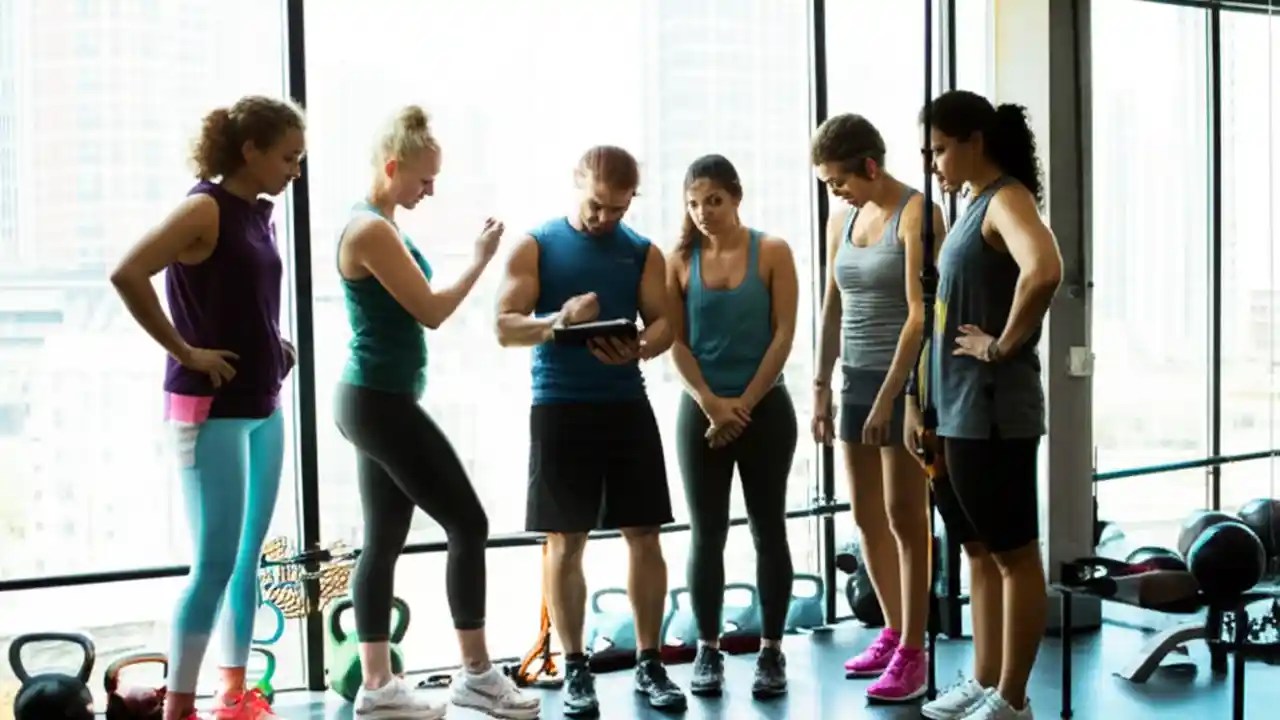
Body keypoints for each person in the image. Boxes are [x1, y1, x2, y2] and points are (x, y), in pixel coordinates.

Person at [332, 105, 541, 720]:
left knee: (384, 541)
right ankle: (475, 675)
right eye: (424, 180)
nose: (431, 190)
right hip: (376, 400)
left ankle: (378, 689)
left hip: (375, 399)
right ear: (392, 167)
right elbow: (430, 309)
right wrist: (481, 258)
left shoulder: (382, 223)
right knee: (468, 523)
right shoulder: (370, 230)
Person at [110, 95, 306, 720]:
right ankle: (180, 707)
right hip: (210, 408)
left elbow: (239, 294)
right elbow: (128, 272)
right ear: (249, 151)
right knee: (215, 562)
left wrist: (274, 342)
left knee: (248, 556)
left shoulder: (258, 214)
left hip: (263, 403)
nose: (294, 170)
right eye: (287, 157)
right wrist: (187, 351)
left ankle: (235, 695)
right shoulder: (204, 208)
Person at [494, 145, 686, 717]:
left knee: (644, 533)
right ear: (578, 182)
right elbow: (504, 327)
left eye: (618, 210)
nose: (606, 219)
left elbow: (665, 324)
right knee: (565, 540)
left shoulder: (642, 253)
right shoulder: (537, 245)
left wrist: (641, 346)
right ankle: (574, 667)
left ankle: (650, 662)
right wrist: (560, 320)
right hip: (560, 405)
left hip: (625, 402)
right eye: (598, 206)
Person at [913, 90, 1062, 720]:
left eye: (942, 149)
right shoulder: (973, 204)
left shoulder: (1006, 197)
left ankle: (1013, 697)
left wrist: (1002, 345)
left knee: (1014, 554)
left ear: (975, 141)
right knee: (975, 549)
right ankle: (983, 680)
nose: (935, 163)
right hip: (957, 409)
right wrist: (927, 404)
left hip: (995, 409)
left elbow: (1046, 268)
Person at [810, 113, 945, 703]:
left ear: (869, 165)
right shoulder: (843, 218)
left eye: (838, 179)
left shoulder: (918, 212)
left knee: (904, 518)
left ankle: (916, 650)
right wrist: (819, 385)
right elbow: (831, 306)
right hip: (854, 382)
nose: (833, 191)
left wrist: (893, 395)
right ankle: (893, 631)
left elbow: (920, 313)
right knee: (865, 518)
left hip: (906, 384)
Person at [667, 154, 799, 700]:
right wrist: (711, 403)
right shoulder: (678, 259)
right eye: (694, 203)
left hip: (765, 408)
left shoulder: (771, 250)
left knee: (769, 527)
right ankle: (708, 649)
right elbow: (674, 341)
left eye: (713, 201)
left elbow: (784, 334)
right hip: (701, 412)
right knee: (707, 533)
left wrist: (741, 404)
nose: (703, 212)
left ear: (736, 197)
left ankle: (771, 649)